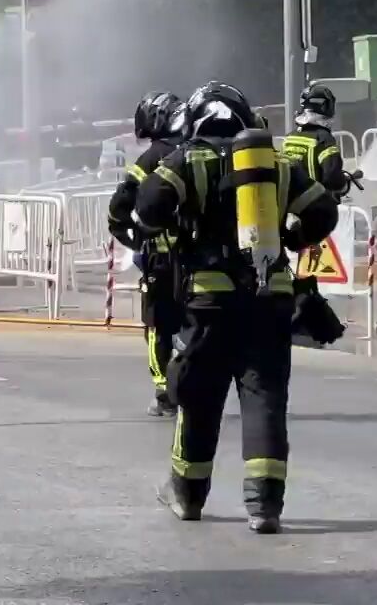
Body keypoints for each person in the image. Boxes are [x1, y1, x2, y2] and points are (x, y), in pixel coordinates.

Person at [135, 81, 338, 534]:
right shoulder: (274, 167)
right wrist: (290, 238)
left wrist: (175, 229)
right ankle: (264, 506)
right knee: (265, 399)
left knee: (199, 398)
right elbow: (323, 211)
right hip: (269, 300)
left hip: (207, 304)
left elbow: (148, 208)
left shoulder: (187, 161)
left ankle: (187, 495)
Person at [106, 91, 187, 418]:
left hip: (163, 262)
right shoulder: (200, 154)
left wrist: (137, 238)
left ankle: (165, 393)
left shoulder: (151, 159)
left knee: (157, 327)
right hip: (201, 259)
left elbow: (118, 210)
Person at [281, 83, 347, 198]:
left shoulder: (289, 137)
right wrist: (345, 183)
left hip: (290, 204)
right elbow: (332, 178)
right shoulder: (324, 139)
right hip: (316, 207)